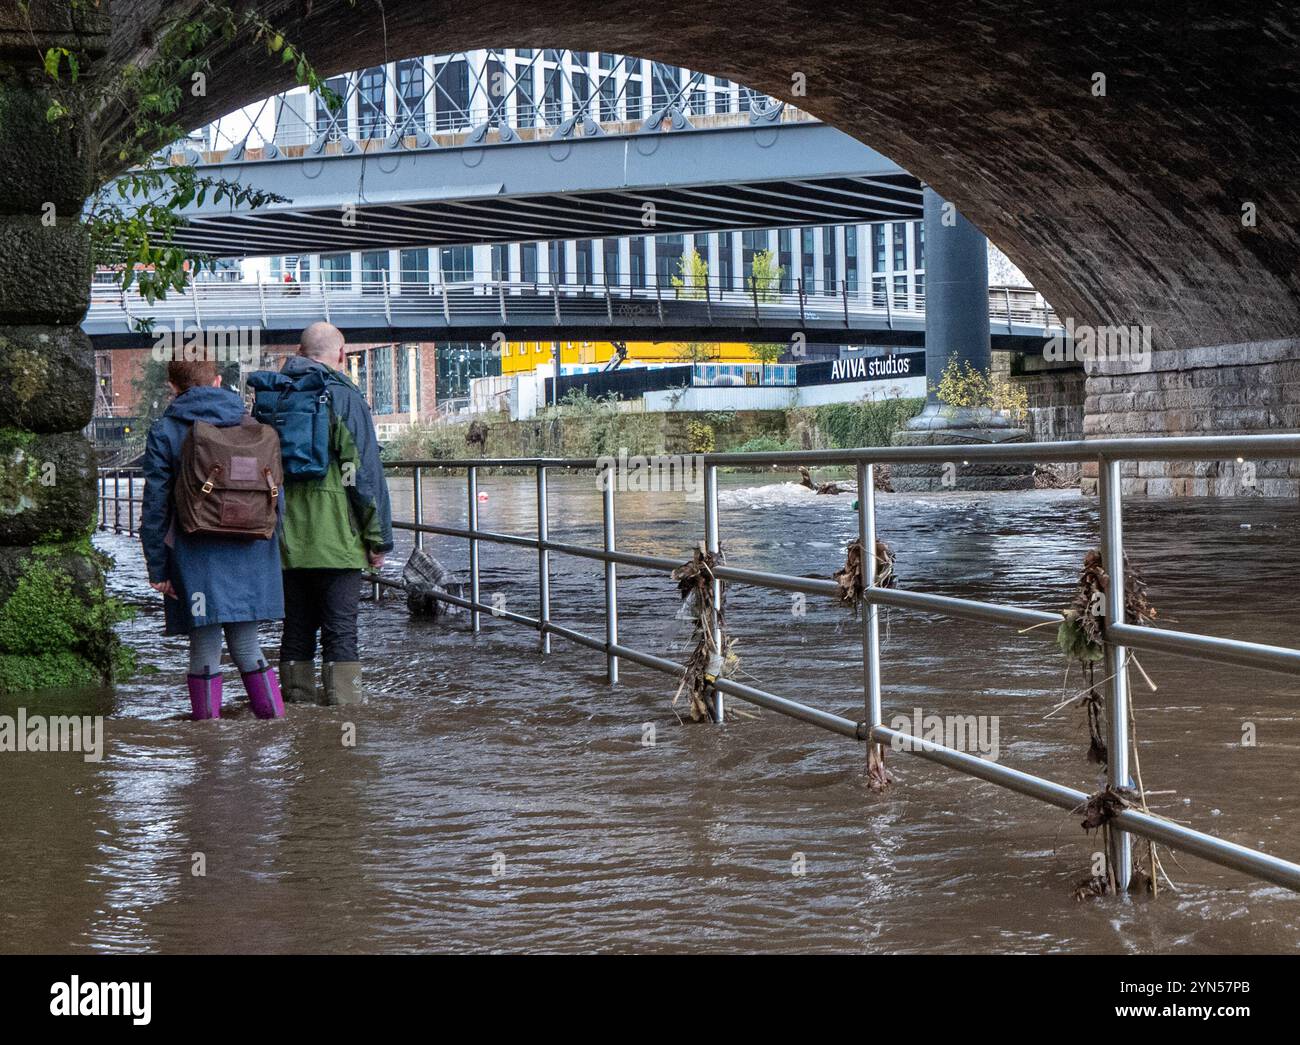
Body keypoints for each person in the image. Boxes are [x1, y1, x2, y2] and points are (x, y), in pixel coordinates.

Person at [140, 358, 286, 720]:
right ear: (219, 381)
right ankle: (275, 727)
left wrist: (157, 566)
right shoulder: (252, 424)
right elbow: (276, 496)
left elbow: (155, 505)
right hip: (251, 548)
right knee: (248, 645)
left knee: (204, 646)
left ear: (172, 387)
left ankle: (207, 742)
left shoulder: (167, 430)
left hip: (196, 550)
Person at [273, 322, 393, 705]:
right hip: (337, 540)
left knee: (295, 629)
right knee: (341, 630)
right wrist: (378, 539)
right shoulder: (342, 397)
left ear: (298, 351)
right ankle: (346, 715)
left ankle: (296, 714)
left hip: (286, 540)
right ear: (342, 355)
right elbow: (363, 475)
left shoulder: (273, 395)